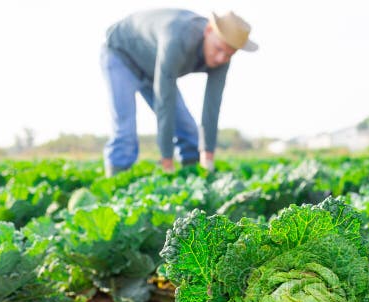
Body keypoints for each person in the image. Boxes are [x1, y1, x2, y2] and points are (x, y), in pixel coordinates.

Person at [100, 9, 257, 176]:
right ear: (209, 31)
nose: (221, 58)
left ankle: (192, 180)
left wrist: (208, 156)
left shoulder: (222, 57)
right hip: (121, 56)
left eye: (228, 55)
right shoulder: (178, 38)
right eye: (219, 49)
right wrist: (167, 159)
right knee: (125, 131)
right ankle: (115, 185)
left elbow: (212, 105)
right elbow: (164, 103)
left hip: (155, 68)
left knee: (188, 130)